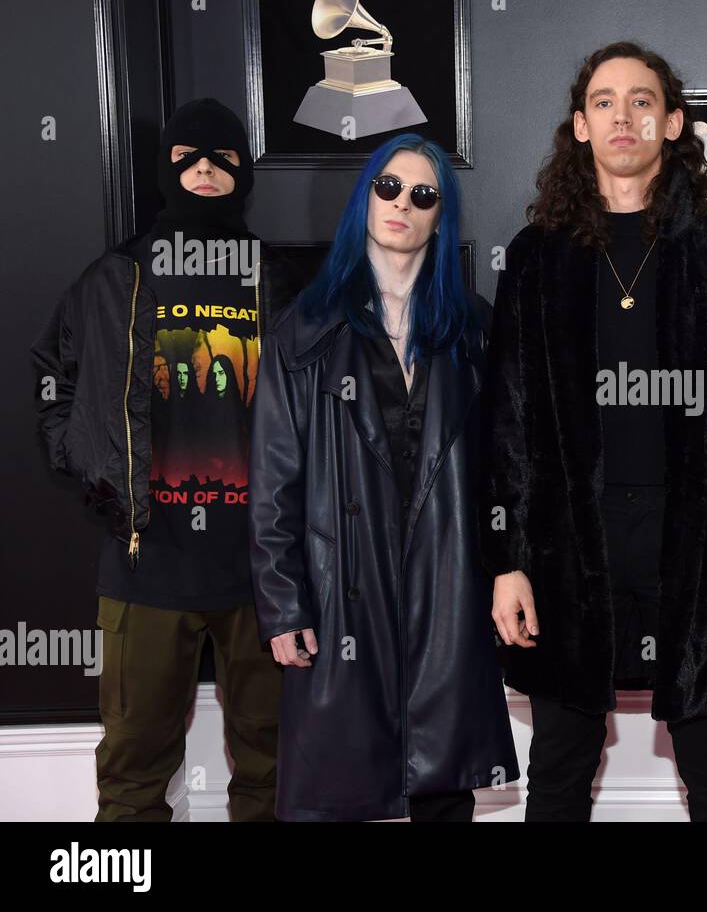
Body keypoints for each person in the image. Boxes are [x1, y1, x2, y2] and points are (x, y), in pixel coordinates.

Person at [480, 41, 707, 822]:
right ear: (580, 128)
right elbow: (507, 424)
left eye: (641, 100)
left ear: (674, 122)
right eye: (603, 101)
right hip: (568, 550)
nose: (623, 115)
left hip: (699, 551)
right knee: (557, 771)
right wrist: (509, 563)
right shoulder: (534, 258)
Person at [32, 98, 296, 821]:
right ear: (165, 169)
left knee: (275, 767)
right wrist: (91, 469)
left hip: (260, 570)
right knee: (132, 770)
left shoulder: (277, 279)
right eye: (188, 158)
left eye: (222, 159)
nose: (205, 171)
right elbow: (52, 375)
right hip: (146, 563)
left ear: (244, 173)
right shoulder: (115, 275)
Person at [249, 133, 519, 822]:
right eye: (388, 187)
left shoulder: (475, 332)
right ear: (364, 198)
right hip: (342, 593)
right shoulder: (302, 330)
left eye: (423, 194)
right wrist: (283, 605)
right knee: (334, 788)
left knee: (444, 781)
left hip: (447, 593)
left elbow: (506, 470)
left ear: (441, 215)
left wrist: (508, 571)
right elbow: (274, 479)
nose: (402, 203)